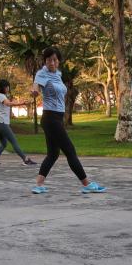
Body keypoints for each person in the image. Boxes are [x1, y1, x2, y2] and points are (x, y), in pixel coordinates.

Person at [30, 48, 106, 194]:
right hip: (50, 118)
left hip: (56, 118)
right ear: (44, 61)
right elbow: (36, 87)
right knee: (70, 151)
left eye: (55, 60)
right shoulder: (42, 74)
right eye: (49, 60)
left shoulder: (58, 74)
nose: (52, 62)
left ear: (58, 61)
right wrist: (34, 92)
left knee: (53, 154)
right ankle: (86, 184)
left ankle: (38, 185)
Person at [0, 80, 36, 167]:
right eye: (7, 87)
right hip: (2, 123)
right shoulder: (1, 96)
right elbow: (8, 104)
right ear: (3, 87)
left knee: (4, 143)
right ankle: (25, 159)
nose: (8, 88)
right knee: (14, 141)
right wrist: (22, 103)